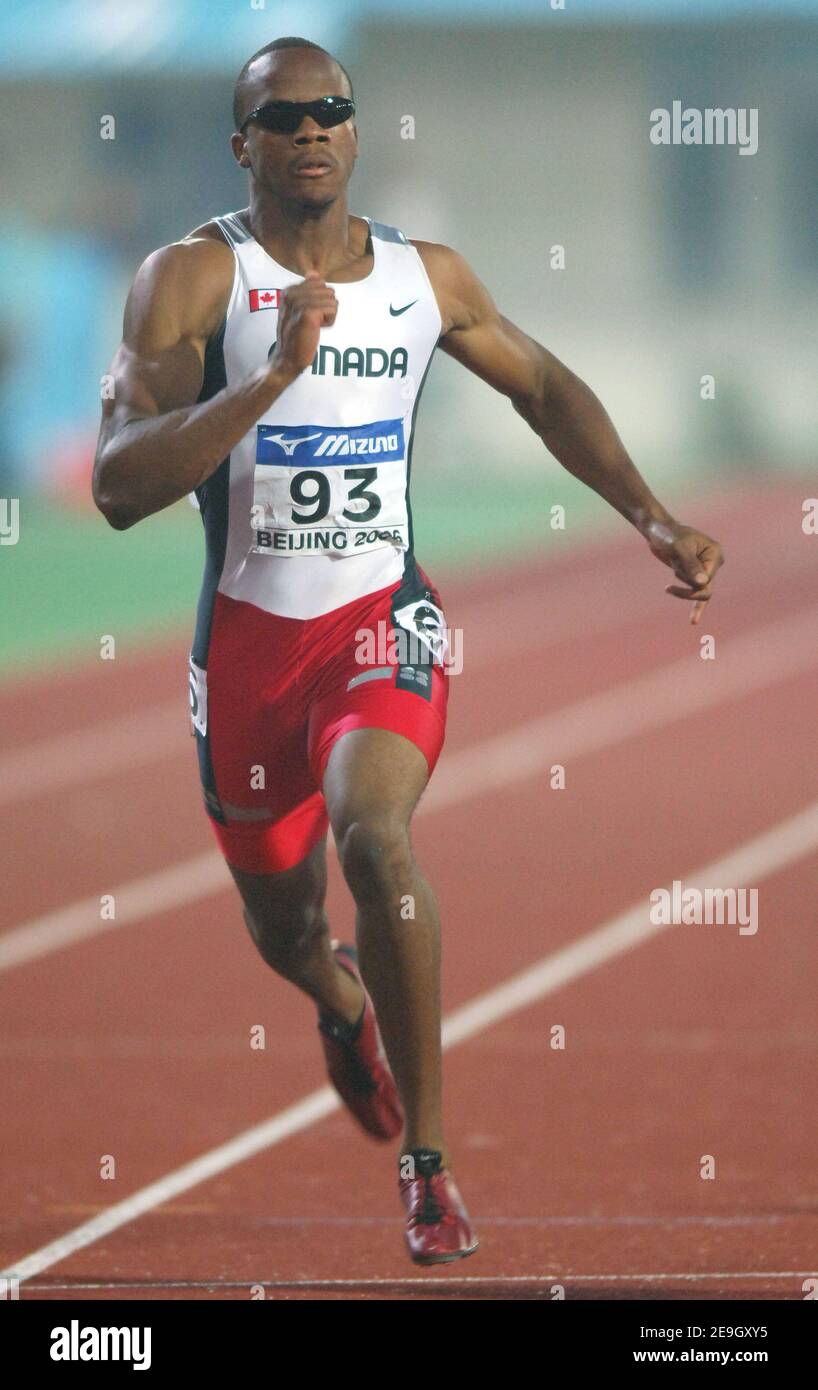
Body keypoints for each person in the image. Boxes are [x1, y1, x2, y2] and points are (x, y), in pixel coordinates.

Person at [93, 36, 724, 1266]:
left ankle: (426, 1168)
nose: (311, 131)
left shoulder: (423, 278)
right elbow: (119, 484)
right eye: (284, 117)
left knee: (375, 837)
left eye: (331, 110)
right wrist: (269, 382)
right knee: (283, 927)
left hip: (379, 621)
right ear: (242, 143)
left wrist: (651, 517)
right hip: (249, 649)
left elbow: (542, 386)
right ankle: (339, 1000)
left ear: (356, 130)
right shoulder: (190, 280)